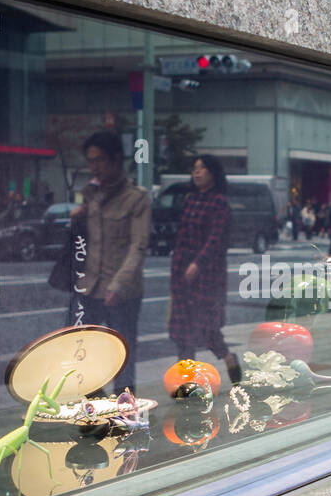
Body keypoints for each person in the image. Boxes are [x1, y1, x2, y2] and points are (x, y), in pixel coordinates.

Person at [71, 130, 151, 388]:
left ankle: (124, 415)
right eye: (91, 161)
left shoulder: (136, 198)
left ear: (117, 160)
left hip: (122, 293)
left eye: (100, 160)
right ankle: (94, 414)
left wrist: (118, 285)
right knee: (82, 355)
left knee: (122, 358)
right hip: (89, 287)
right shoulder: (92, 196)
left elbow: (138, 247)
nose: (95, 167)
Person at [169, 153, 241, 382]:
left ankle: (229, 358)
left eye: (201, 169)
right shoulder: (190, 200)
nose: (196, 173)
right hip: (183, 272)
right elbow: (180, 238)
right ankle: (187, 381)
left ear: (213, 173)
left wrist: (198, 263)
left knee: (207, 328)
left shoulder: (220, 203)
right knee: (182, 330)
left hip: (208, 275)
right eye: (194, 169)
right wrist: (178, 269)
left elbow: (216, 239)